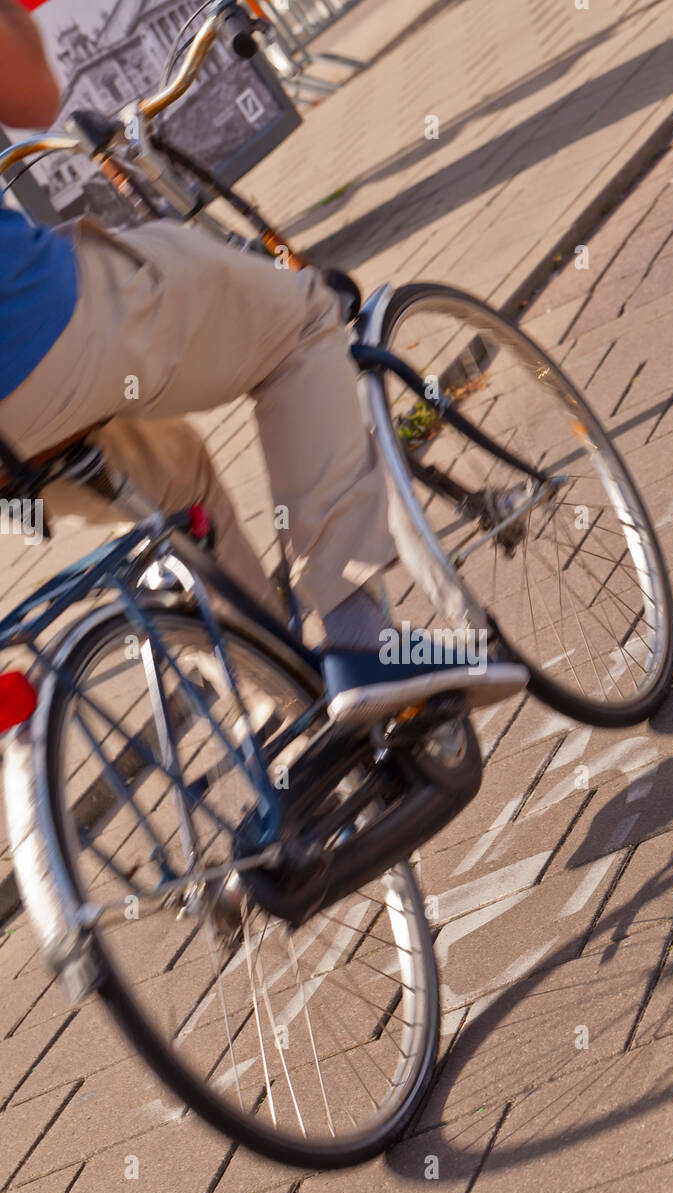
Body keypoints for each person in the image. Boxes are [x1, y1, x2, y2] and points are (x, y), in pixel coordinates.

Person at [0, 0, 525, 724]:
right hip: (31, 327)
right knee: (303, 320)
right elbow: (31, 93)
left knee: (173, 488)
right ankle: (359, 638)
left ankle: (293, 718)